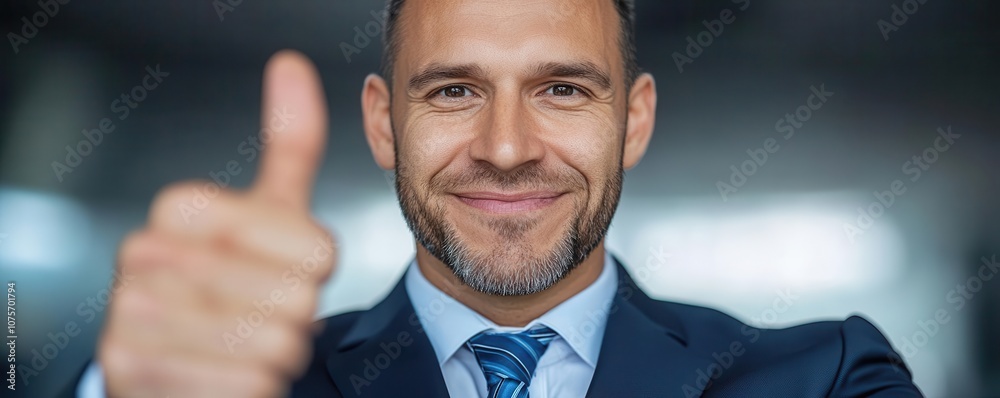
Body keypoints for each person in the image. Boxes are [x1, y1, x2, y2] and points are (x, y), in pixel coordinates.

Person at [64, 0, 923, 396]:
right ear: (383, 124)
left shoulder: (823, 378)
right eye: (452, 93)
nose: (506, 150)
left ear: (633, 121)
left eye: (561, 91)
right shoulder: (246, 384)